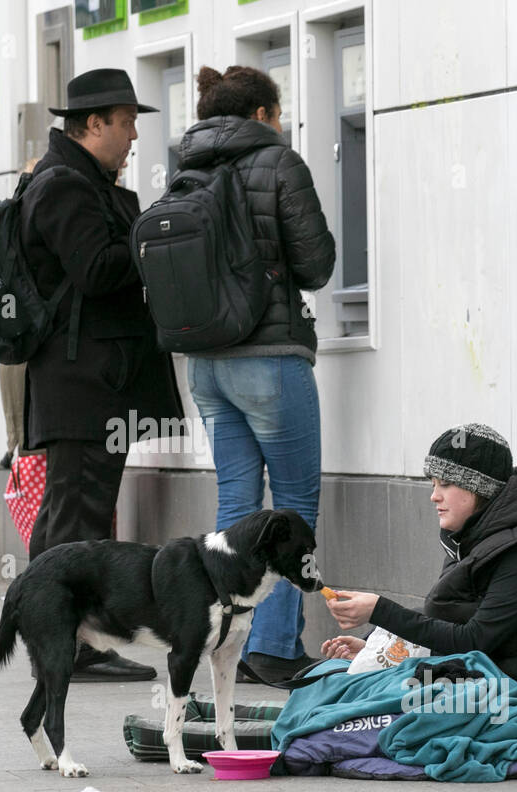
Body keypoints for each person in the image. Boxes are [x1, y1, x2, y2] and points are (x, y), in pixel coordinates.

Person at [20, 68, 185, 681]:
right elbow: (96, 270)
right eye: (126, 121)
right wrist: (155, 233)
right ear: (94, 124)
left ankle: (61, 637)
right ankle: (69, 645)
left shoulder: (77, 179)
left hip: (88, 378)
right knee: (78, 515)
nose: (135, 135)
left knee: (72, 511)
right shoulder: (64, 185)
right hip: (84, 379)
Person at [178, 66, 336, 684]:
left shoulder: (188, 168)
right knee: (294, 504)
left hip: (207, 366)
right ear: (264, 113)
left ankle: (230, 646)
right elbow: (317, 263)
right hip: (269, 358)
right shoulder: (279, 162)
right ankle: (273, 646)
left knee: (237, 506)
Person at [323, 424, 517, 735]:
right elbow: (451, 625)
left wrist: (380, 610)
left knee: (361, 708)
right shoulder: (479, 537)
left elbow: (475, 639)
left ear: (479, 488)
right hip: (490, 686)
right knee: (338, 683)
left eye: (445, 484)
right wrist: (378, 647)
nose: (433, 496)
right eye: (432, 483)